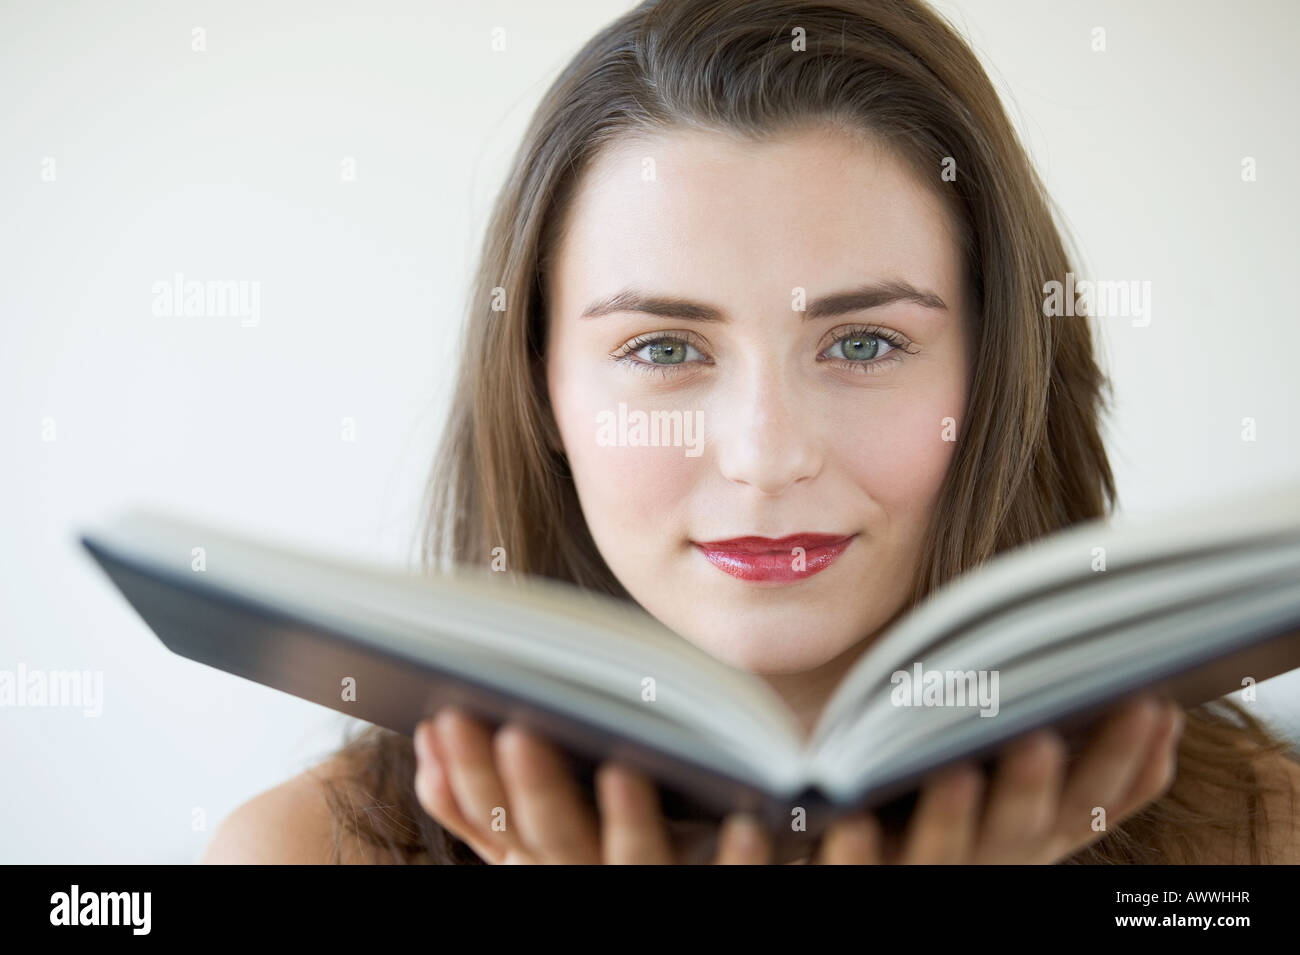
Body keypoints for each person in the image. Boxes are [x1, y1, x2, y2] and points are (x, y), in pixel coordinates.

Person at [202, 0, 1300, 864]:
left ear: (995, 368)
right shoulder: (308, 853)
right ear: (540, 387)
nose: (767, 454)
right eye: (666, 349)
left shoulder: (1256, 833)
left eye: (864, 343)